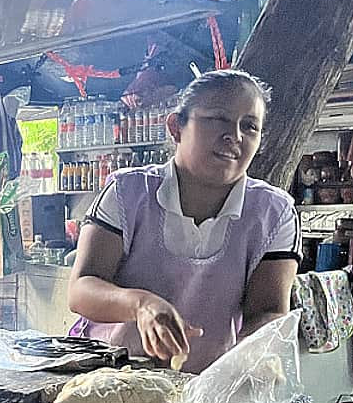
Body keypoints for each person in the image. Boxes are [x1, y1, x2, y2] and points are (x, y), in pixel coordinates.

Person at [67, 69, 300, 373]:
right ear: (176, 127)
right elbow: (81, 290)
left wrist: (251, 359)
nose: (235, 136)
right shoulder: (128, 192)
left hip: (203, 386)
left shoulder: (274, 212)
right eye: (219, 119)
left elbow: (268, 310)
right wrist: (142, 305)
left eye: (250, 126)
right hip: (107, 375)